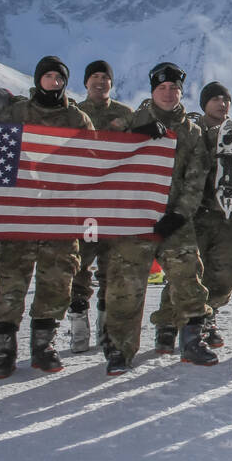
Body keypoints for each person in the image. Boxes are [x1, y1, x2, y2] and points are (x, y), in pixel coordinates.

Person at [101, 62, 216, 372]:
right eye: (162, 88)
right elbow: (106, 157)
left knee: (188, 279)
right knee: (125, 286)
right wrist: (135, 136)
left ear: (181, 92)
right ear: (153, 91)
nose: (169, 93)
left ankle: (192, 340)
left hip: (174, 219)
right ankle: (120, 350)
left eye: (174, 88)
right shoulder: (131, 120)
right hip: (133, 217)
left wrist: (180, 214)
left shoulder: (191, 131)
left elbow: (197, 177)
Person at [0, 56, 93, 378]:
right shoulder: (16, 113)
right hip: (18, 216)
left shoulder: (77, 118)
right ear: (38, 80)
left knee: (56, 283)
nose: (54, 82)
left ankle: (43, 346)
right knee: (10, 282)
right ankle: (4, 349)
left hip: (60, 216)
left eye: (59, 78)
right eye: (48, 77)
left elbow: (93, 163)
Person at [153, 81, 232, 350]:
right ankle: (168, 323)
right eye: (214, 99)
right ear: (204, 104)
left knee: (225, 274)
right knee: (187, 273)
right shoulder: (192, 130)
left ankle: (207, 317)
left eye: (225, 99)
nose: (221, 104)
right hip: (198, 212)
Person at [68, 60, 134, 352]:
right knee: (77, 266)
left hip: (114, 206)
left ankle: (107, 327)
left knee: (113, 267)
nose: (99, 81)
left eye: (105, 77)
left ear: (111, 82)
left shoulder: (126, 115)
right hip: (82, 207)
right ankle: (78, 322)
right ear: (85, 82)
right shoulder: (73, 115)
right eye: (94, 76)